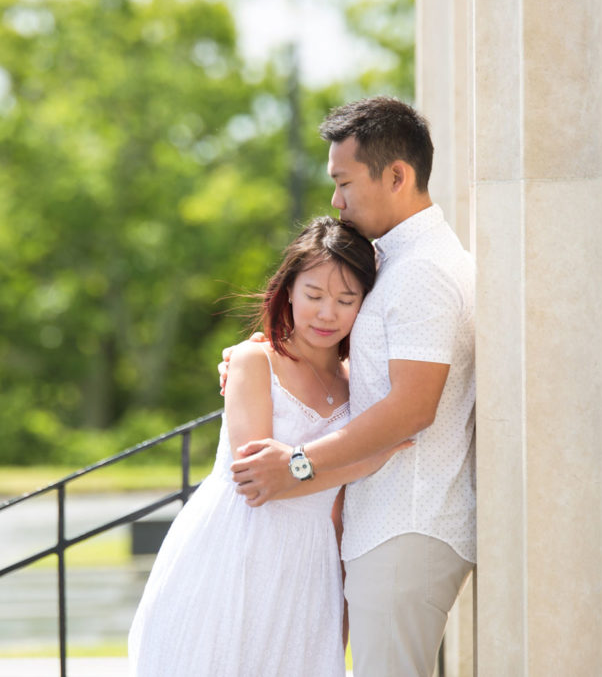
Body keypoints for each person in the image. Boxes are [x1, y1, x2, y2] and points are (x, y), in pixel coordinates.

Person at [226, 96, 476, 677]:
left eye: (344, 182)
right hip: (391, 527)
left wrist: (298, 464)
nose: (335, 201)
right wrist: (258, 360)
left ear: (397, 176)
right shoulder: (400, 262)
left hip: (406, 526)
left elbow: (412, 407)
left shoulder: (422, 273)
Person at [128, 217, 406, 677]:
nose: (326, 313)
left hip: (309, 564)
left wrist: (337, 611)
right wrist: (367, 459)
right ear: (289, 291)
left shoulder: (361, 385)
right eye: (314, 296)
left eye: (346, 300)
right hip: (233, 549)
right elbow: (258, 481)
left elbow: (337, 513)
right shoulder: (254, 360)